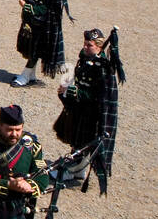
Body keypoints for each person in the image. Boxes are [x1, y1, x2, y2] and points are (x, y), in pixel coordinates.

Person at [54, 28, 125, 195]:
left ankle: (73, 168)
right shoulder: (85, 59)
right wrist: (67, 92)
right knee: (76, 137)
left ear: (99, 47)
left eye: (90, 45)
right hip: (80, 108)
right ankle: (78, 169)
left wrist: (79, 93)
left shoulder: (103, 68)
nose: (85, 47)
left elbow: (102, 95)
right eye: (85, 44)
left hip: (93, 113)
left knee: (84, 140)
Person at [12, 0, 68, 86]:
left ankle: (25, 76)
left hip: (43, 24)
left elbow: (46, 8)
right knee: (31, 49)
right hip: (32, 22)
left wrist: (26, 6)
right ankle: (31, 75)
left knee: (35, 51)